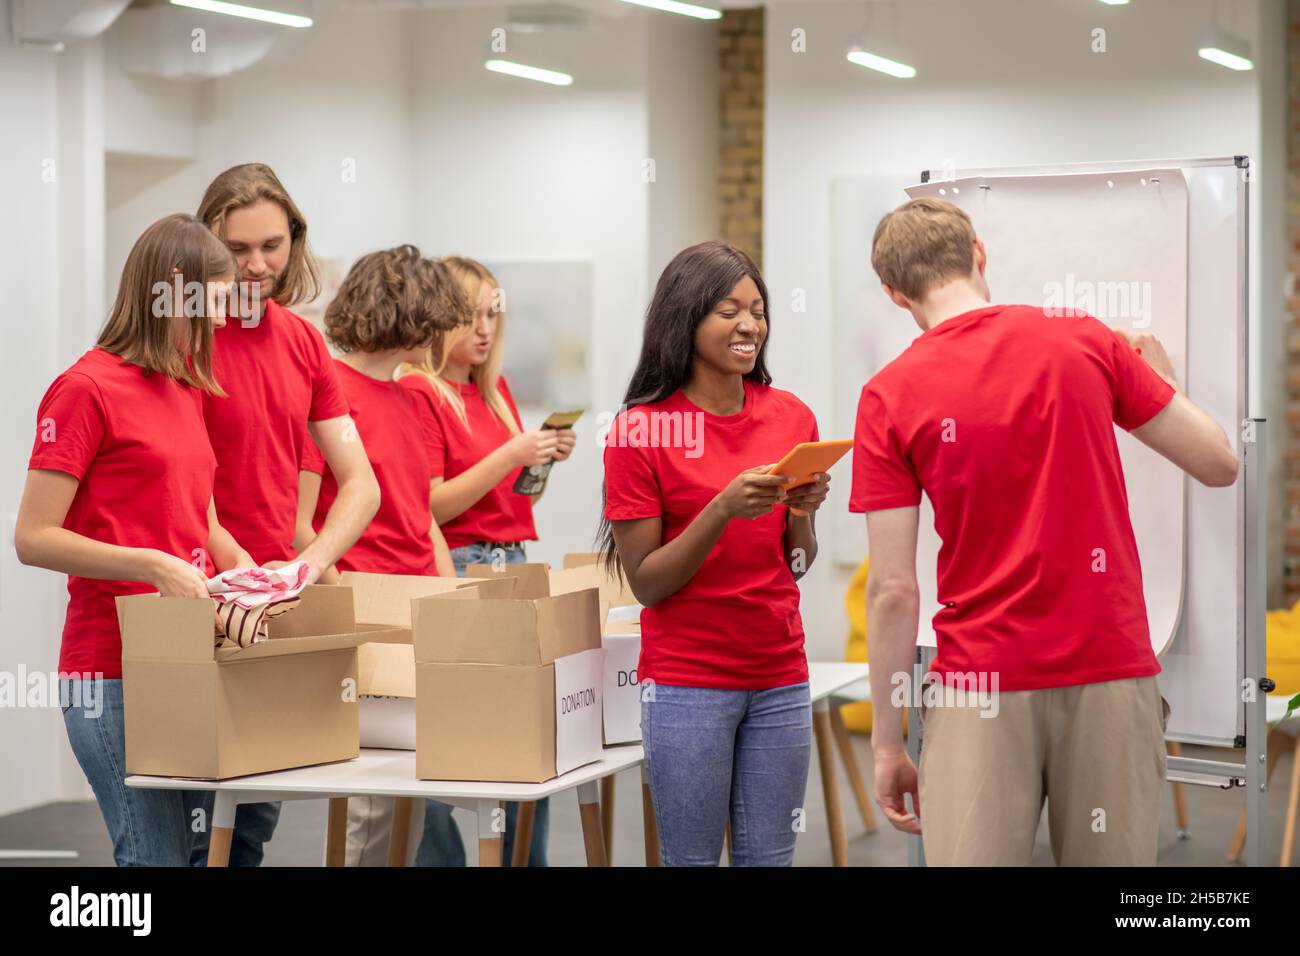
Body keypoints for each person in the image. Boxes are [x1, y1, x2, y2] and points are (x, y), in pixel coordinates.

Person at [854, 196, 1240, 866]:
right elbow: (1219, 463)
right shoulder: (1082, 338)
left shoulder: (890, 394)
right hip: (1109, 668)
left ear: (894, 293)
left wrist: (889, 745)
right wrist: (1163, 385)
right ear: (978, 253)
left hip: (980, 679)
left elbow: (892, 590)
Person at [16, 214, 253, 866]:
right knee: (155, 860)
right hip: (110, 672)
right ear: (170, 294)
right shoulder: (84, 391)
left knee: (205, 853)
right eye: (210, 308)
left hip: (182, 659)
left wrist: (243, 565)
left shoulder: (185, 386)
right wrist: (154, 565)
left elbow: (194, 513)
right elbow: (33, 538)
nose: (219, 326)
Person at [598, 240, 830, 866]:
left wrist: (802, 518)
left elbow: (798, 567)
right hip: (687, 685)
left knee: (770, 859)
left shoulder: (792, 417)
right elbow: (647, 583)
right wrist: (722, 509)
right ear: (685, 315)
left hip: (781, 675)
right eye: (729, 309)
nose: (750, 324)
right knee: (691, 860)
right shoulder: (640, 432)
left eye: (757, 309)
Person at [191, 163, 381, 866]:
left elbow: (360, 483)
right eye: (237, 249)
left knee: (247, 831)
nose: (255, 265)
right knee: (182, 829)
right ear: (205, 243)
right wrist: (232, 561)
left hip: (269, 612)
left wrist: (307, 564)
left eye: (271, 246)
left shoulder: (302, 343)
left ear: (293, 242)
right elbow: (179, 477)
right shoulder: (182, 337)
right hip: (192, 599)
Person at [399, 256, 575, 867]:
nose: (485, 329)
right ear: (440, 318)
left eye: (493, 315)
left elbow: (517, 499)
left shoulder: (492, 391)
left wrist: (539, 461)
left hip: (514, 563)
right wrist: (511, 455)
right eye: (472, 316)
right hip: (461, 565)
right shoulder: (420, 390)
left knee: (530, 737)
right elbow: (431, 504)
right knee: (461, 739)